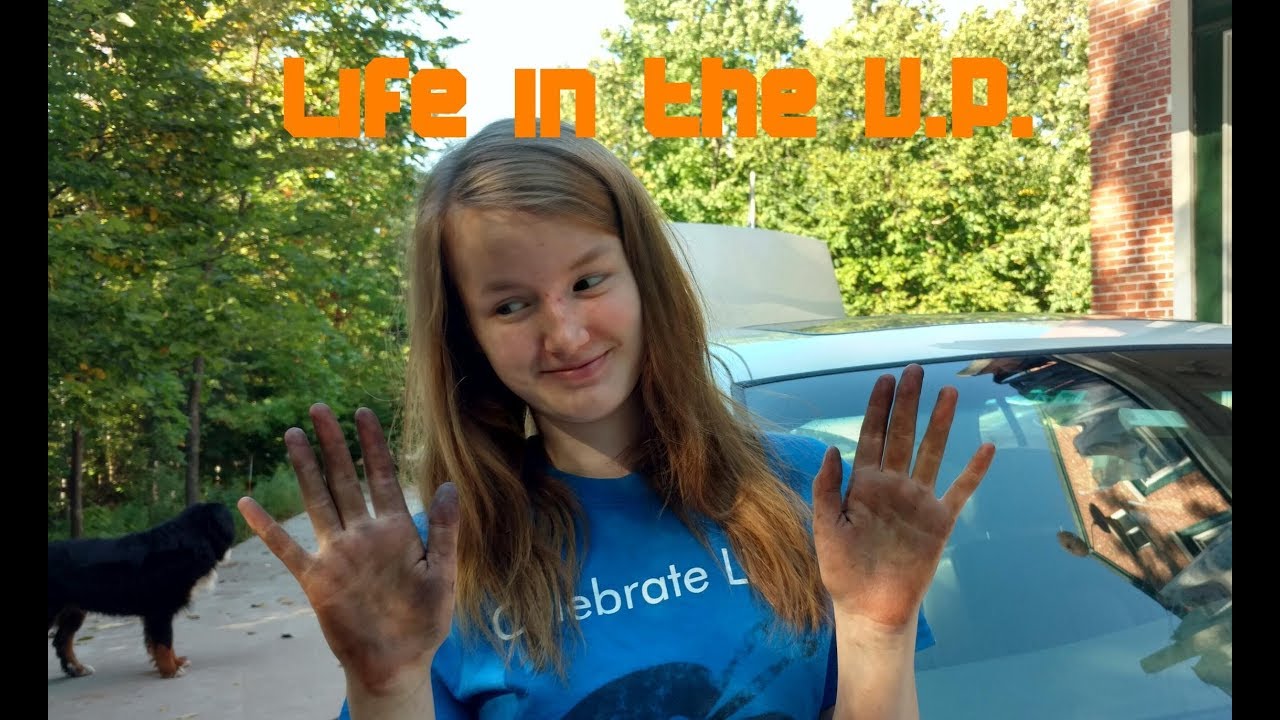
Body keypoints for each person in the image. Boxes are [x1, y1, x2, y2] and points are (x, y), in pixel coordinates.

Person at [237, 118, 995, 719]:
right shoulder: (440, 567)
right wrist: (385, 689)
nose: (565, 334)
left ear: (643, 277)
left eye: (587, 281)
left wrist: (877, 629)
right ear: (467, 336)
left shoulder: (807, 495)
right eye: (512, 304)